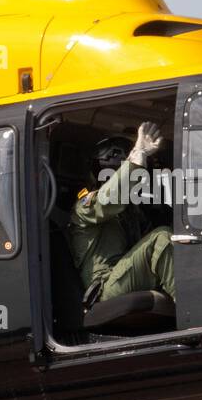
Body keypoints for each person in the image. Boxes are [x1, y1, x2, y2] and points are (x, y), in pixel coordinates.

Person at [67, 121, 175, 306]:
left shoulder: (130, 212)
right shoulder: (85, 206)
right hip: (104, 288)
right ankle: (193, 311)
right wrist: (138, 153)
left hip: (124, 279)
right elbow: (109, 199)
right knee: (162, 239)